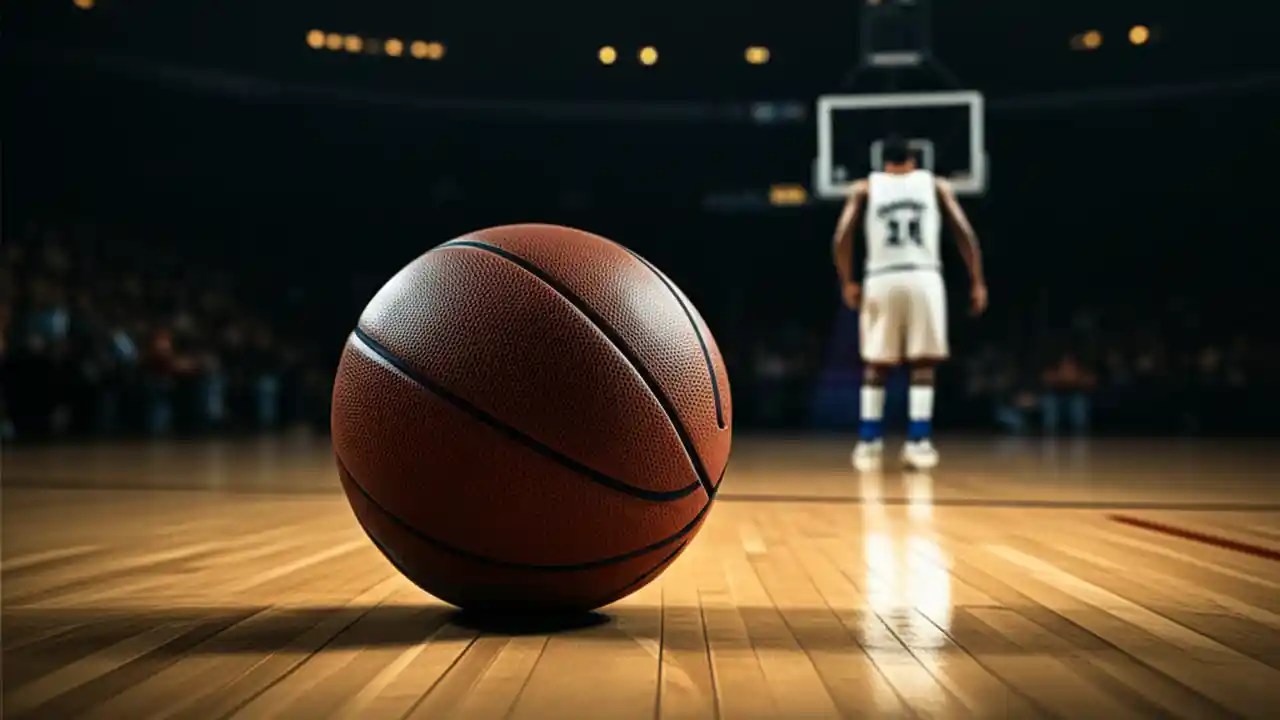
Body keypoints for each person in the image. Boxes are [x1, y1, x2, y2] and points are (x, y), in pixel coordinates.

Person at [832, 135, 988, 470]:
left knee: (876, 364)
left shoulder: (865, 188)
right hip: (923, 276)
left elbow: (842, 235)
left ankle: (869, 444)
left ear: (883, 161)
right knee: (923, 363)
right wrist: (976, 280)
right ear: (914, 160)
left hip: (881, 277)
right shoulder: (935, 185)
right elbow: (965, 233)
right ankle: (918, 443)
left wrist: (848, 281)